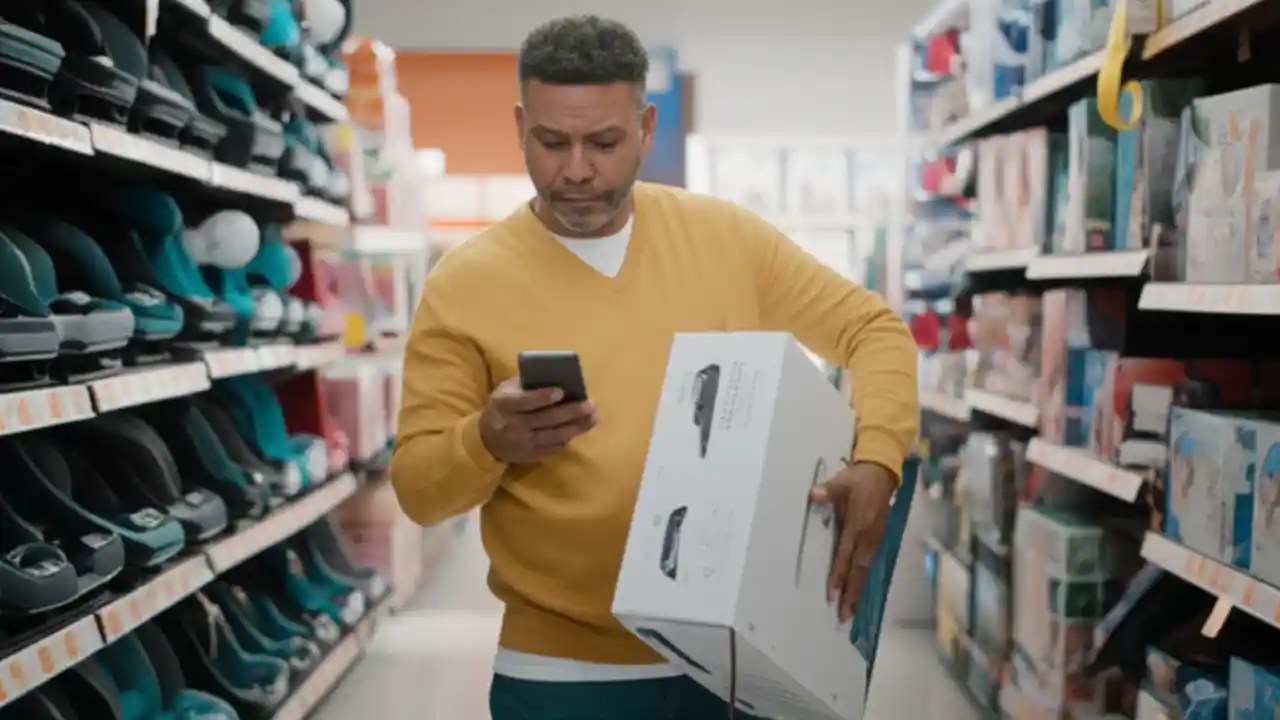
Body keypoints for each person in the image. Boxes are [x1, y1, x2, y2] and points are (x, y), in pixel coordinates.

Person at [390, 14, 920, 720]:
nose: (576, 169)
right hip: (562, 676)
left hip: (739, 664)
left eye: (604, 142)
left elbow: (872, 328)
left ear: (645, 126)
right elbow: (419, 489)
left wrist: (879, 457)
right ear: (520, 126)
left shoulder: (723, 237)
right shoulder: (463, 286)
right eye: (551, 141)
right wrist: (485, 441)